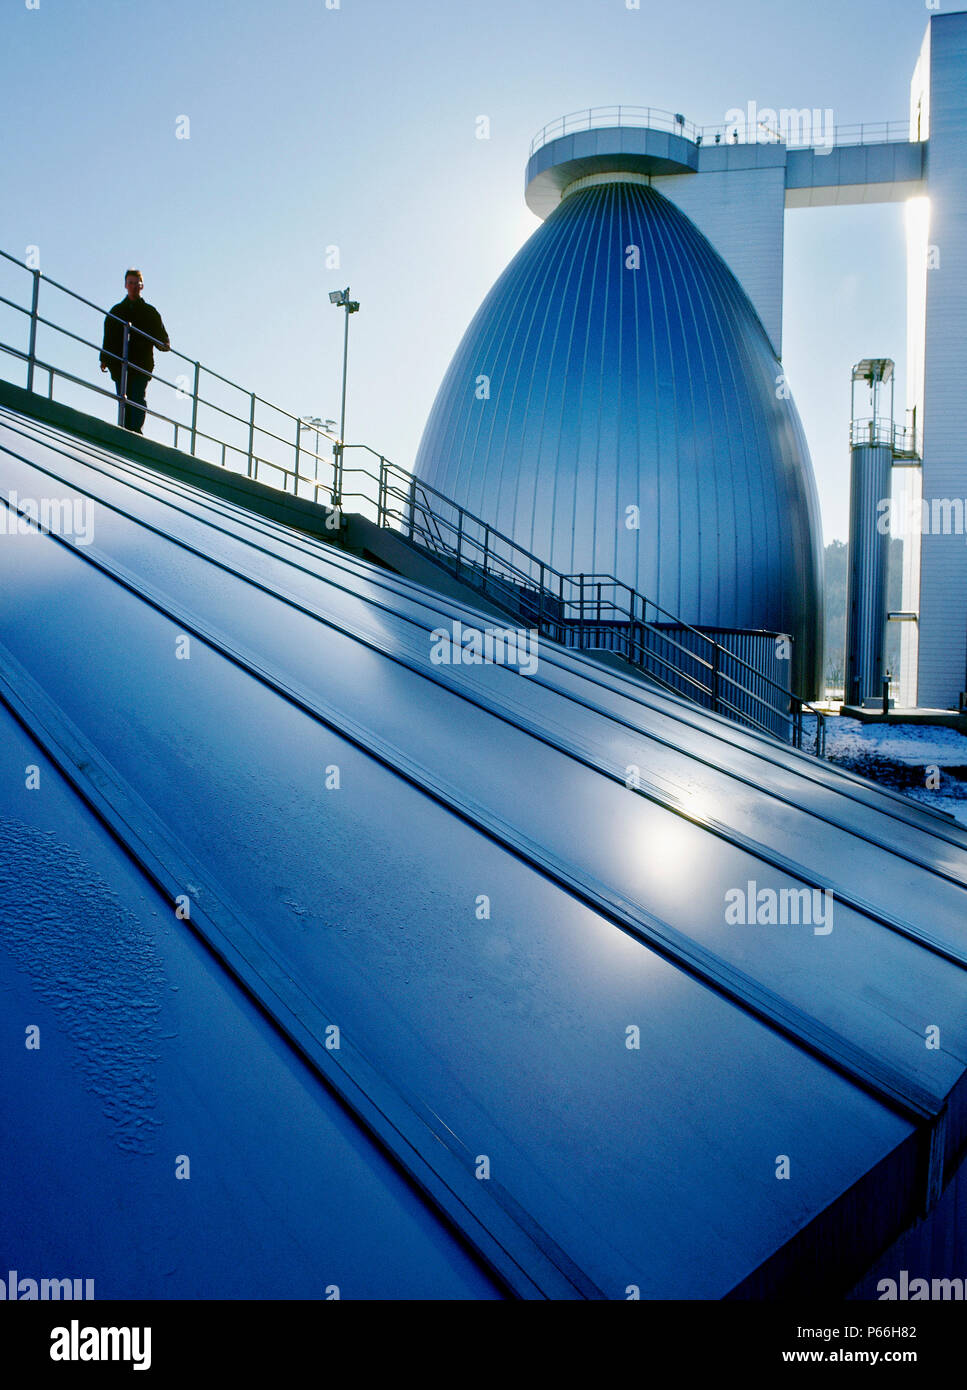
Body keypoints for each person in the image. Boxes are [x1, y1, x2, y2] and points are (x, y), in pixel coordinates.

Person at [99, 269, 170, 433]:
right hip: (119, 363)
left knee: (136, 397)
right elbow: (108, 337)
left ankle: (134, 431)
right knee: (122, 397)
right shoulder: (116, 311)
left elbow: (161, 336)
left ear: (142, 286)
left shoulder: (150, 312)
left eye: (136, 283)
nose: (133, 286)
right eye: (130, 283)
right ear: (125, 285)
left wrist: (164, 344)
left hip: (140, 364)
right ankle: (124, 429)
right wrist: (104, 358)